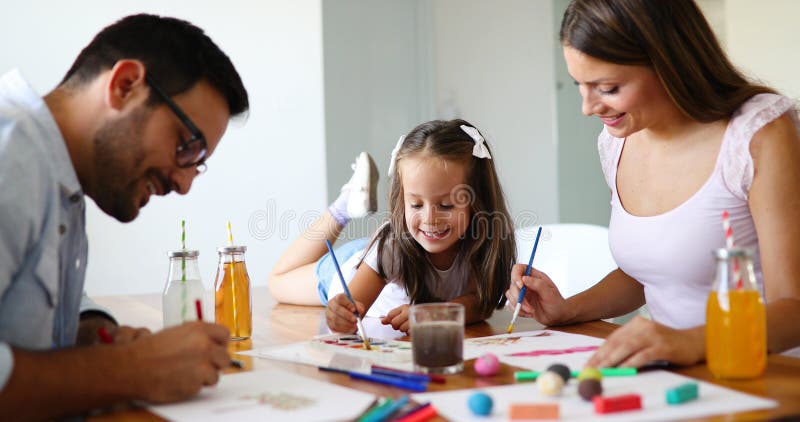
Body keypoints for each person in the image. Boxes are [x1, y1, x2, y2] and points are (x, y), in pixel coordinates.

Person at [507, 0, 800, 368]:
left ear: (668, 61)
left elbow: (793, 309)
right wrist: (567, 309)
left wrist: (690, 342)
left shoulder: (758, 133)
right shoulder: (616, 141)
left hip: (765, 377)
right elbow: (651, 271)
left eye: (608, 87)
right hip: (677, 378)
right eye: (580, 85)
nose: (587, 107)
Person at [0, 14, 249, 419]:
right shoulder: (11, 156)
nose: (184, 185)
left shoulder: (60, 177)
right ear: (125, 85)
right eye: (187, 146)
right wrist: (134, 369)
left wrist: (95, 331)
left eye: (197, 163)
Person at [269, 119, 516, 333]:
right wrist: (341, 315)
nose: (430, 218)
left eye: (446, 206)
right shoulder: (391, 250)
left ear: (479, 202)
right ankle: (343, 208)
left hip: (380, 248)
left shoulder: (486, 242)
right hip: (353, 264)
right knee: (278, 282)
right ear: (402, 200)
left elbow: (480, 303)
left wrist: (436, 313)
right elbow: (351, 312)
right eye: (416, 205)